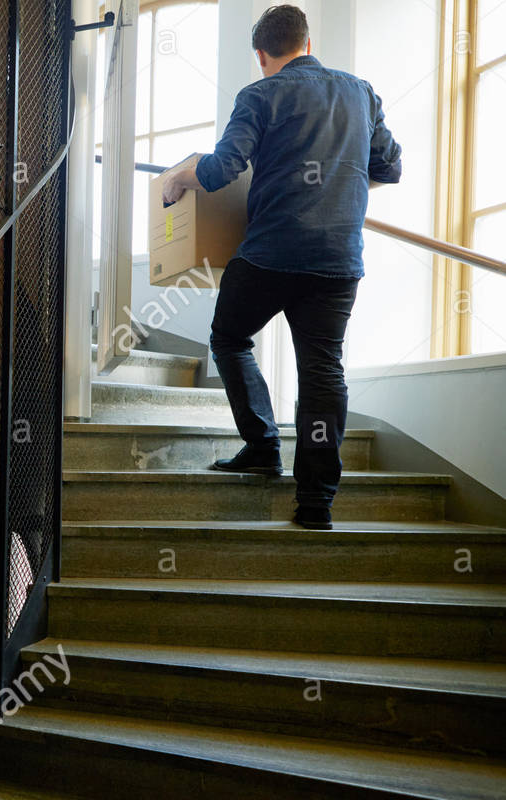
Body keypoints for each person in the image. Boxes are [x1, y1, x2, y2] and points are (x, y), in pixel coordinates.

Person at [159, 4, 402, 530]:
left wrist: (179, 177)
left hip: (271, 255)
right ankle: (315, 503)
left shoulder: (260, 94)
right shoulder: (360, 92)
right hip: (339, 261)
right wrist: (343, 188)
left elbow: (223, 169)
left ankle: (263, 444)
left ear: (262, 55)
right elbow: (389, 167)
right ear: (308, 44)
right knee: (322, 369)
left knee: (228, 337)